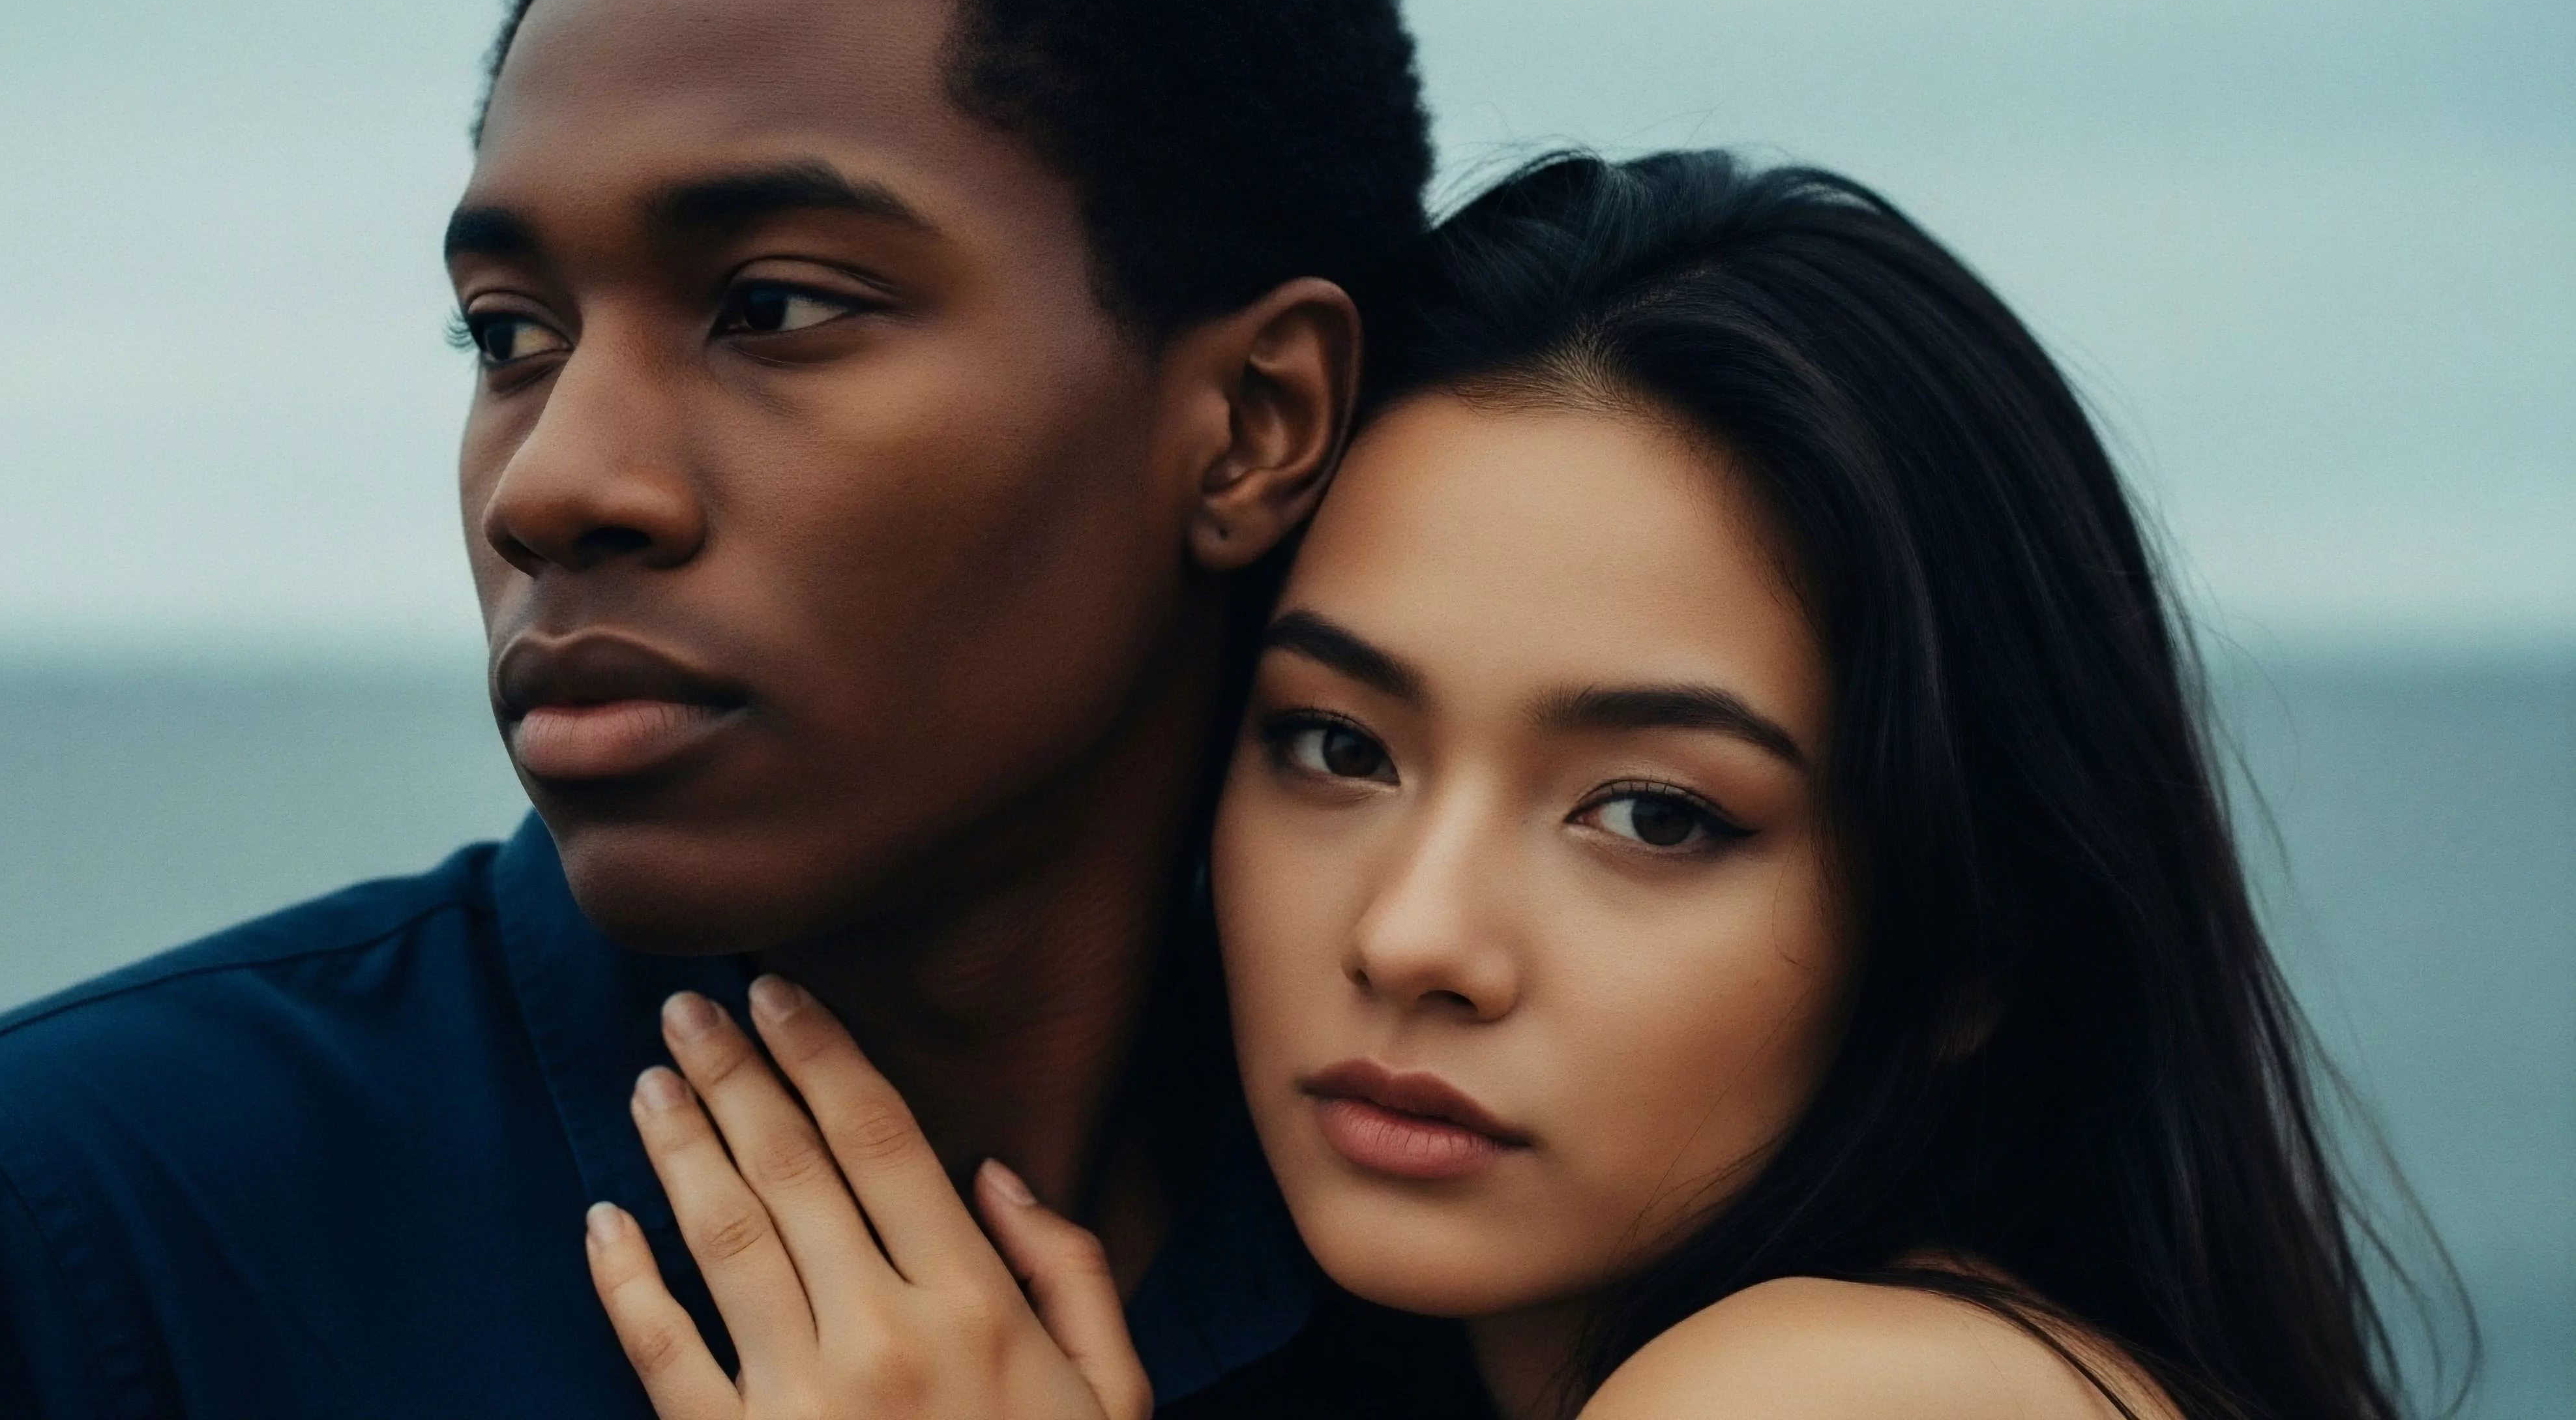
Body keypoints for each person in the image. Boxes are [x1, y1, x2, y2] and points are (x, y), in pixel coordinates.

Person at [0, 0, 1436, 1414]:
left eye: (775, 305)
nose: (551, 486)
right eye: (510, 334)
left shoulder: (1514, 1283)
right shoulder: (63, 1235)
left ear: (1253, 425)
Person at [585, 151, 2420, 1420]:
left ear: (1970, 941)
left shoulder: (1841, 1385)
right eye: (1337, 747)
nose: (1416, 935)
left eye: (1653, 814)